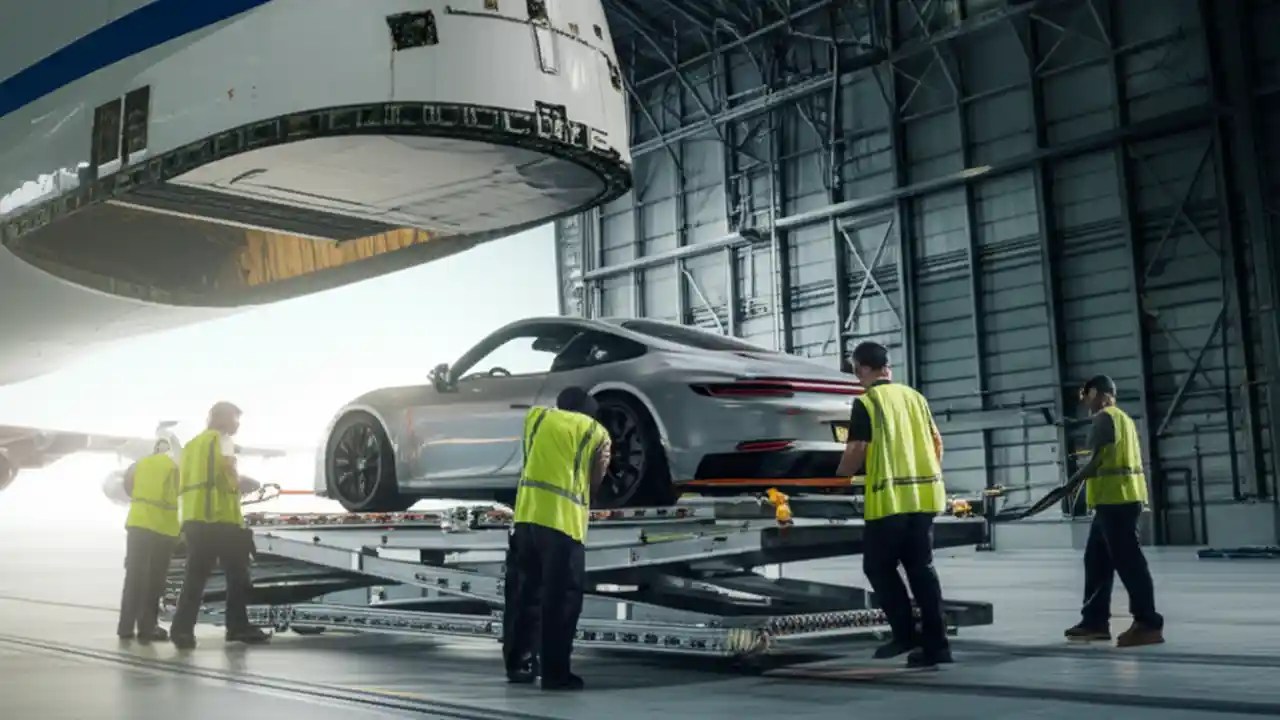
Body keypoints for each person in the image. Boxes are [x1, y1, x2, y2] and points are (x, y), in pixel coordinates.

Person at [836, 341, 951, 668]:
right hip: (925, 499)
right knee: (922, 571)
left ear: (861, 368)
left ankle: (904, 633)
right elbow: (936, 443)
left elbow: (857, 449)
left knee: (878, 567)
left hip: (889, 503)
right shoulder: (916, 398)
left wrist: (838, 479)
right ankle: (937, 646)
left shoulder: (868, 402)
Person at [502, 386, 611, 691]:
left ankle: (519, 665)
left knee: (524, 594)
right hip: (563, 526)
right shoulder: (596, 431)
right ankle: (556, 674)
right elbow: (596, 478)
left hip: (525, 518)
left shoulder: (536, 418)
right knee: (560, 601)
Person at [1063, 375, 1164, 647]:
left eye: (1086, 396)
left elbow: (1096, 461)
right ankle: (1094, 622)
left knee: (1129, 562)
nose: (1085, 403)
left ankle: (1148, 623)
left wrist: (1069, 485)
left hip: (1116, 501)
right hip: (1116, 500)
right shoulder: (1124, 419)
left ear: (1095, 392)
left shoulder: (1104, 417)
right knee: (1096, 561)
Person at [169, 401, 270, 649]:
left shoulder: (192, 445)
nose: (237, 425)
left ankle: (181, 631)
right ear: (223, 419)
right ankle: (237, 627)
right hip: (221, 521)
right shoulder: (221, 440)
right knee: (237, 576)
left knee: (194, 578)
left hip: (194, 519)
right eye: (236, 419)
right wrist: (247, 484)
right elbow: (229, 477)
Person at [117, 439, 180, 643]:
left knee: (133, 577)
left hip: (137, 523)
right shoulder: (174, 466)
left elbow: (127, 488)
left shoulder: (140, 465)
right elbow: (178, 492)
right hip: (162, 527)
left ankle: (125, 627)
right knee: (155, 580)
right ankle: (147, 627)